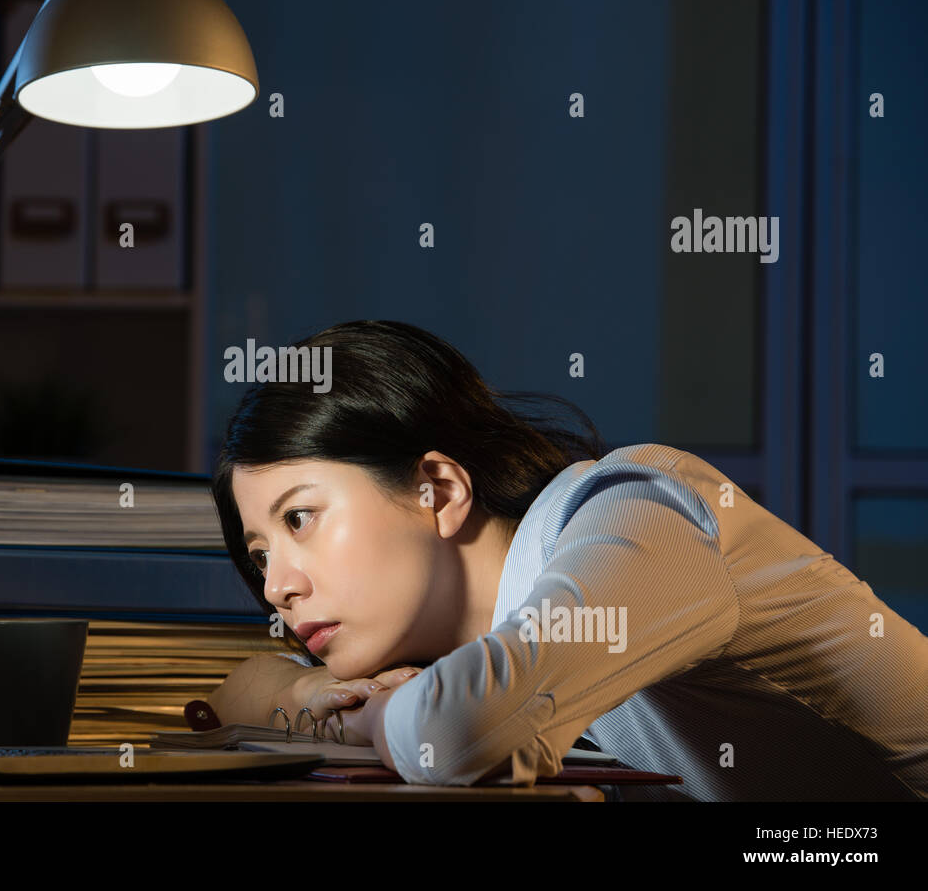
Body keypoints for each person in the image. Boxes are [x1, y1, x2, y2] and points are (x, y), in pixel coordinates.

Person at [206, 319, 928, 800]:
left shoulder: (642, 506)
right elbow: (243, 688)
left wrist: (334, 715)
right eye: (261, 553)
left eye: (301, 517)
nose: (276, 586)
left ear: (440, 490)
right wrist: (303, 695)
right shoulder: (485, 645)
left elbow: (453, 731)